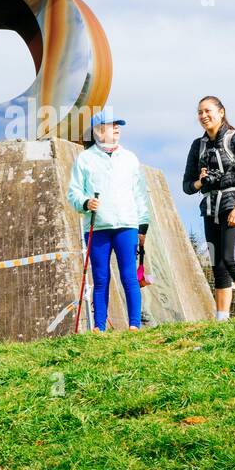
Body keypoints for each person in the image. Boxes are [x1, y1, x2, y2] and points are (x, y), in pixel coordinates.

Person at [67, 110, 151, 331]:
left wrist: (143, 225)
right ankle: (99, 327)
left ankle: (134, 325)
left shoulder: (130, 158)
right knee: (101, 278)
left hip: (127, 225)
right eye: (111, 124)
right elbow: (73, 192)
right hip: (98, 227)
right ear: (97, 130)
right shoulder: (85, 159)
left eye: (118, 125)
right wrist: (85, 203)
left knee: (129, 276)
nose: (117, 128)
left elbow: (140, 193)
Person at [183, 96, 235, 319]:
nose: (203, 116)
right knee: (217, 264)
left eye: (208, 111)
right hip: (209, 207)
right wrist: (200, 181)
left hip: (234, 203)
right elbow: (187, 186)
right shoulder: (198, 145)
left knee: (231, 258)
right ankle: (221, 318)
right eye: (200, 112)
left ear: (221, 112)